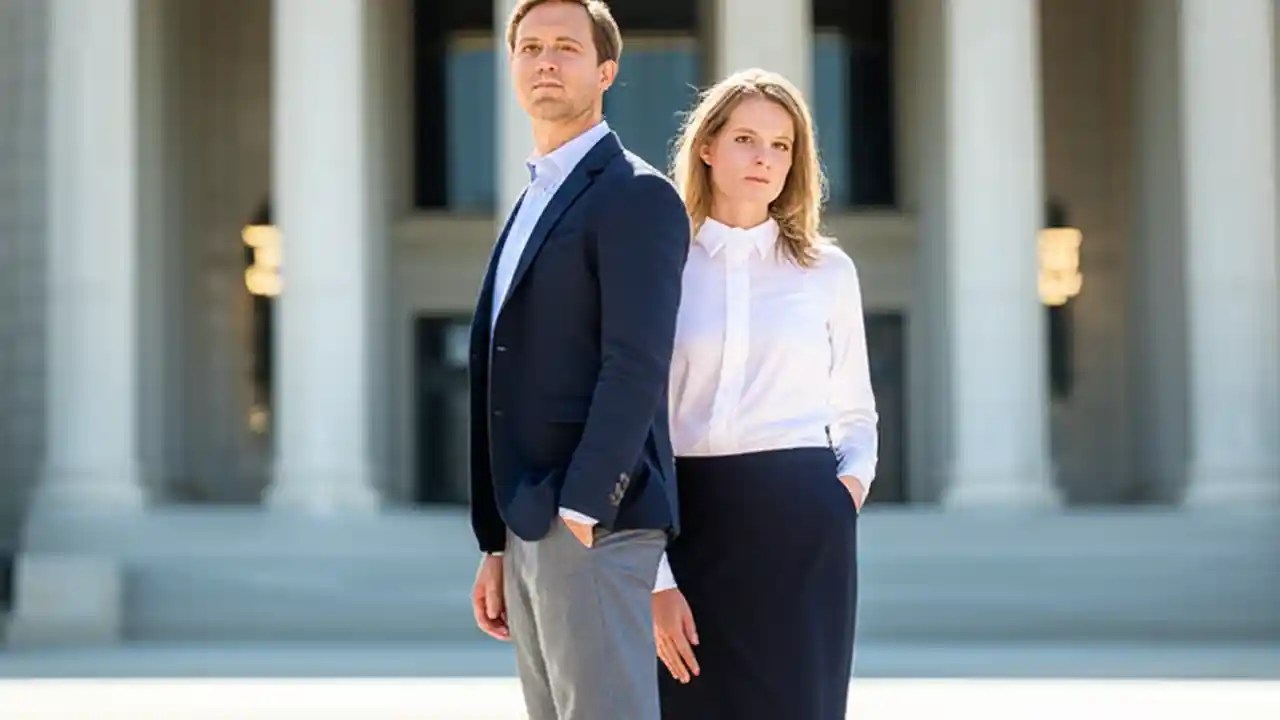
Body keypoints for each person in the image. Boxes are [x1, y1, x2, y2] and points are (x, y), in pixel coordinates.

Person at [466, 1, 690, 719]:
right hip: (528, 524)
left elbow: (637, 360)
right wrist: (494, 542)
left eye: (565, 47)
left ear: (606, 70)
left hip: (591, 520)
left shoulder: (635, 194)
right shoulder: (534, 197)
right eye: (529, 47)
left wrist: (586, 503)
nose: (545, 61)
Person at [652, 68, 879, 720]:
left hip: (802, 519)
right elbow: (638, 418)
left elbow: (855, 407)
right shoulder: (662, 264)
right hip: (686, 514)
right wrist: (655, 573)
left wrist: (846, 491)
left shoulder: (827, 270)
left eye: (782, 146)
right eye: (747, 138)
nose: (765, 158)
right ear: (706, 147)